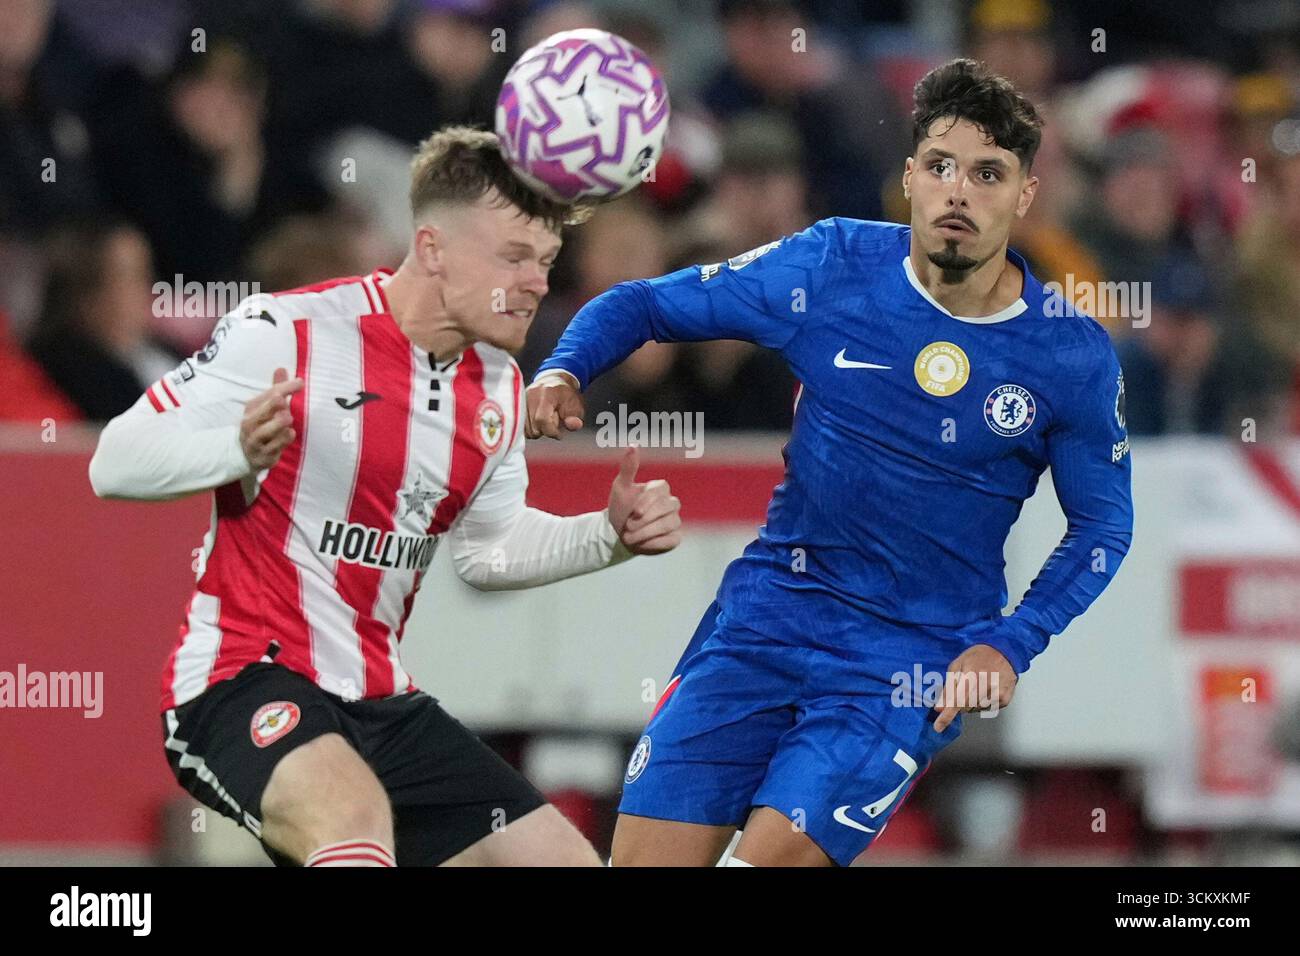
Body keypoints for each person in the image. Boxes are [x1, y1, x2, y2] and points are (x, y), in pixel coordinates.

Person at [528, 59, 1133, 866]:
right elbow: (646, 302)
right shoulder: (832, 265)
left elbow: (1103, 526)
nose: (960, 192)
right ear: (910, 178)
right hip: (764, 620)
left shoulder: (1069, 353)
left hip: (906, 662)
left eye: (989, 174)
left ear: (1024, 195)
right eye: (942, 167)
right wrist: (564, 370)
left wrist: (1012, 641)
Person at [88, 126, 683, 867]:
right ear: (432, 248)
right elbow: (113, 462)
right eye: (514, 257)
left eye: (547, 260)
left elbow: (488, 551)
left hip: (381, 703)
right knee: (351, 818)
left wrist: (608, 535)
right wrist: (233, 449)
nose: (537, 282)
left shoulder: (495, 386)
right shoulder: (286, 332)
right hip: (240, 680)